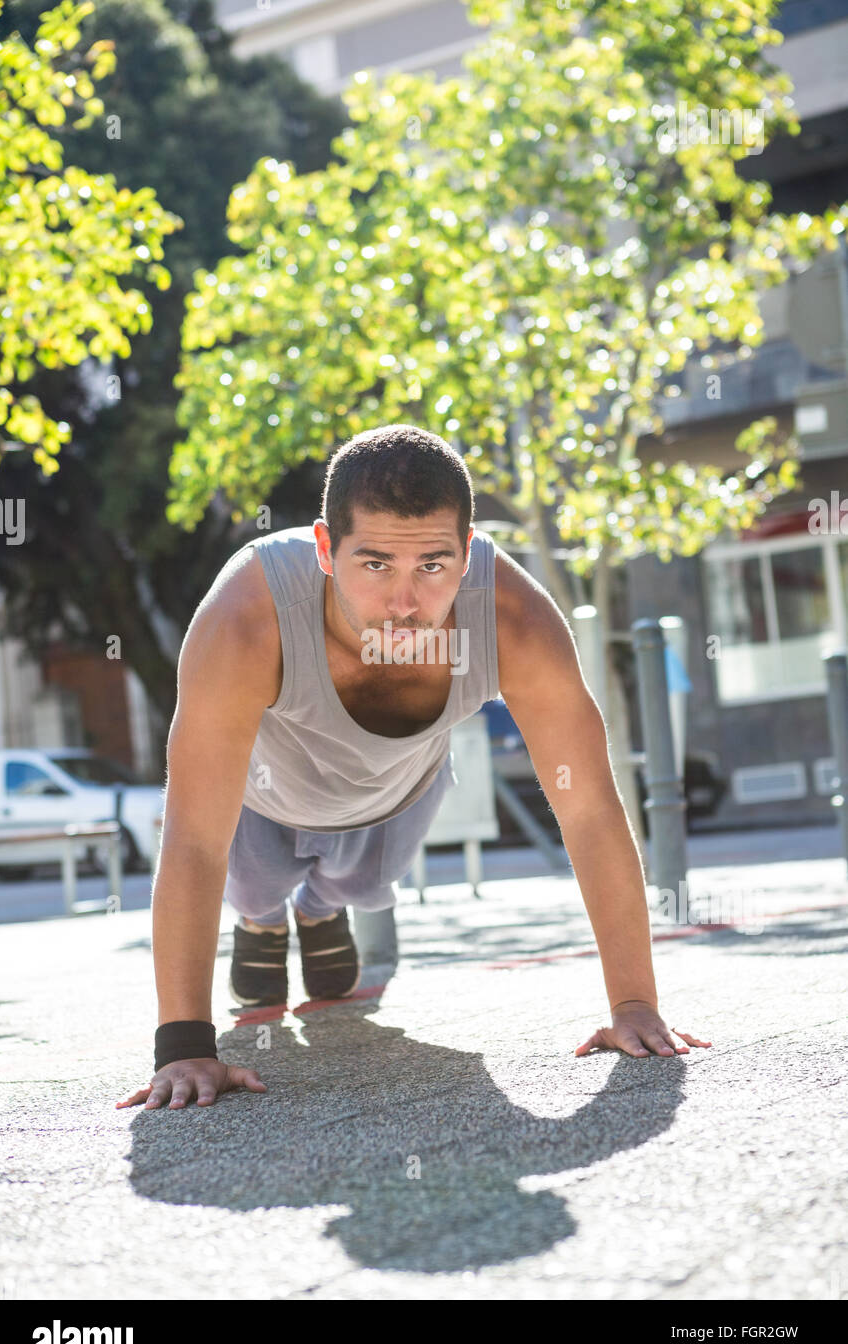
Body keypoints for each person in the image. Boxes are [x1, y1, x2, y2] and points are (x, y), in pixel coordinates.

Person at [117, 424, 710, 1113]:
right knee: (256, 886)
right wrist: (183, 1047)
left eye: (433, 566)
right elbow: (194, 838)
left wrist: (634, 1004)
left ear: (468, 552)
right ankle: (264, 923)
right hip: (263, 798)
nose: (404, 602)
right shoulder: (248, 616)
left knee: (361, 882)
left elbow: (589, 809)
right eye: (375, 564)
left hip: (395, 792)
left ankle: (320, 908)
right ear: (325, 549)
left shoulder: (512, 620)